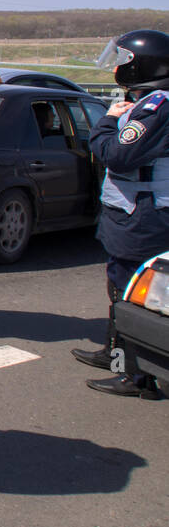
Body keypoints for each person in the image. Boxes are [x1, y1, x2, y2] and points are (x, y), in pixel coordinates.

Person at [73, 29, 169, 399]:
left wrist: (108, 120)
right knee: (119, 284)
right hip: (131, 212)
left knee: (133, 292)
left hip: (142, 216)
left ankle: (137, 375)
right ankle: (115, 354)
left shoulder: (155, 107)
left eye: (124, 60)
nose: (117, 67)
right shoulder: (149, 102)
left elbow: (115, 154)